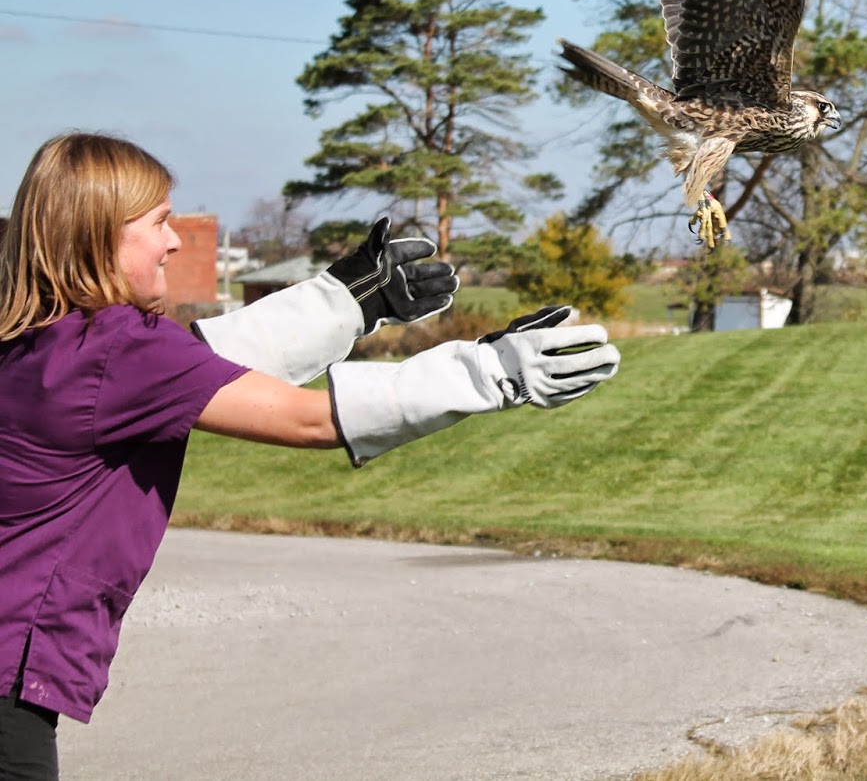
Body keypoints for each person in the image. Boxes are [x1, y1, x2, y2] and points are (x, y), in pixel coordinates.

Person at [0, 132, 622, 781]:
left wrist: (349, 301)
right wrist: (490, 372)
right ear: (101, 235)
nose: (175, 241)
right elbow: (308, 419)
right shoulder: (115, 348)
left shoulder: (39, 339)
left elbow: (197, 364)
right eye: (158, 222)